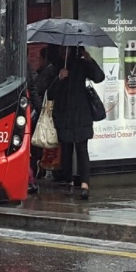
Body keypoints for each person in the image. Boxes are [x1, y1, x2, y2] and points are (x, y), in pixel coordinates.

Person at [51, 45, 105, 200]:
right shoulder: (57, 67)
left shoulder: (82, 65)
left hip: (81, 114)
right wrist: (59, 78)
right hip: (65, 114)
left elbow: (99, 77)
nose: (65, 52)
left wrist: (89, 60)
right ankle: (68, 181)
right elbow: (49, 93)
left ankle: (84, 184)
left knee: (82, 149)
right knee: (67, 150)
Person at [27, 44, 62, 194]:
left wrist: (40, 110)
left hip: (42, 111)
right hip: (53, 111)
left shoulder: (47, 72)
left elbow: (35, 88)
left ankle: (33, 176)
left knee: (36, 145)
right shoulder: (56, 69)